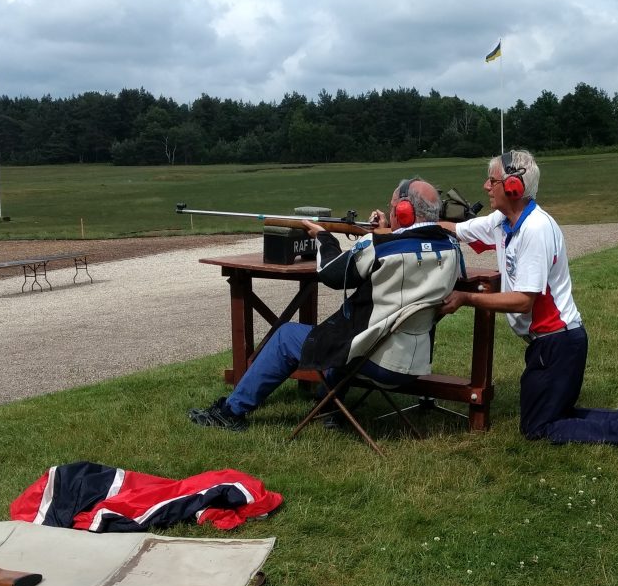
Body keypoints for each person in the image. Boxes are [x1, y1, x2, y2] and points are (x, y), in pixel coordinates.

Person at [439, 149, 618, 460]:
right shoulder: (502, 221)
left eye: (492, 181)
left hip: (557, 344)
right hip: (555, 344)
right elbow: (456, 230)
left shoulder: (535, 230)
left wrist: (466, 298)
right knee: (555, 414)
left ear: (514, 187)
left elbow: (522, 301)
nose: (486, 187)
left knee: (538, 427)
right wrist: (396, 227)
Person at [189, 178, 462, 431]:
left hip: (374, 358)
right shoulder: (452, 248)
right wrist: (388, 231)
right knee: (339, 336)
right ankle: (329, 408)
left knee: (287, 336)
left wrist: (323, 236)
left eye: (393, 208)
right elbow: (417, 251)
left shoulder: (380, 247)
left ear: (404, 211)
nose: (390, 213)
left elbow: (331, 272)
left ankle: (232, 412)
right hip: (412, 364)